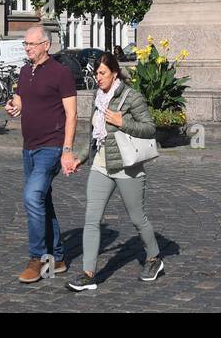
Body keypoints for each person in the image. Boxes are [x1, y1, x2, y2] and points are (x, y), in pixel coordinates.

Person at [66, 53, 163, 291]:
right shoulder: (98, 97)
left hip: (126, 167)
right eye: (96, 73)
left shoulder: (132, 97)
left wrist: (123, 122)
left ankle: (154, 258)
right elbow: (94, 135)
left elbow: (150, 128)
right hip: (100, 164)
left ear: (115, 73)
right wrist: (80, 156)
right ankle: (88, 274)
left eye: (102, 73)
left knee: (137, 218)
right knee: (91, 219)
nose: (98, 78)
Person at [5, 26, 77, 283]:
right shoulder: (25, 71)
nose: (28, 48)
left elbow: (72, 114)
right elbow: (21, 100)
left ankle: (38, 258)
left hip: (52, 146)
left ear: (46, 45)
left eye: (32, 44)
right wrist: (14, 107)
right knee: (42, 201)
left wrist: (67, 150)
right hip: (29, 147)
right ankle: (57, 258)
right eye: (25, 44)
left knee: (32, 196)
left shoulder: (61, 73)